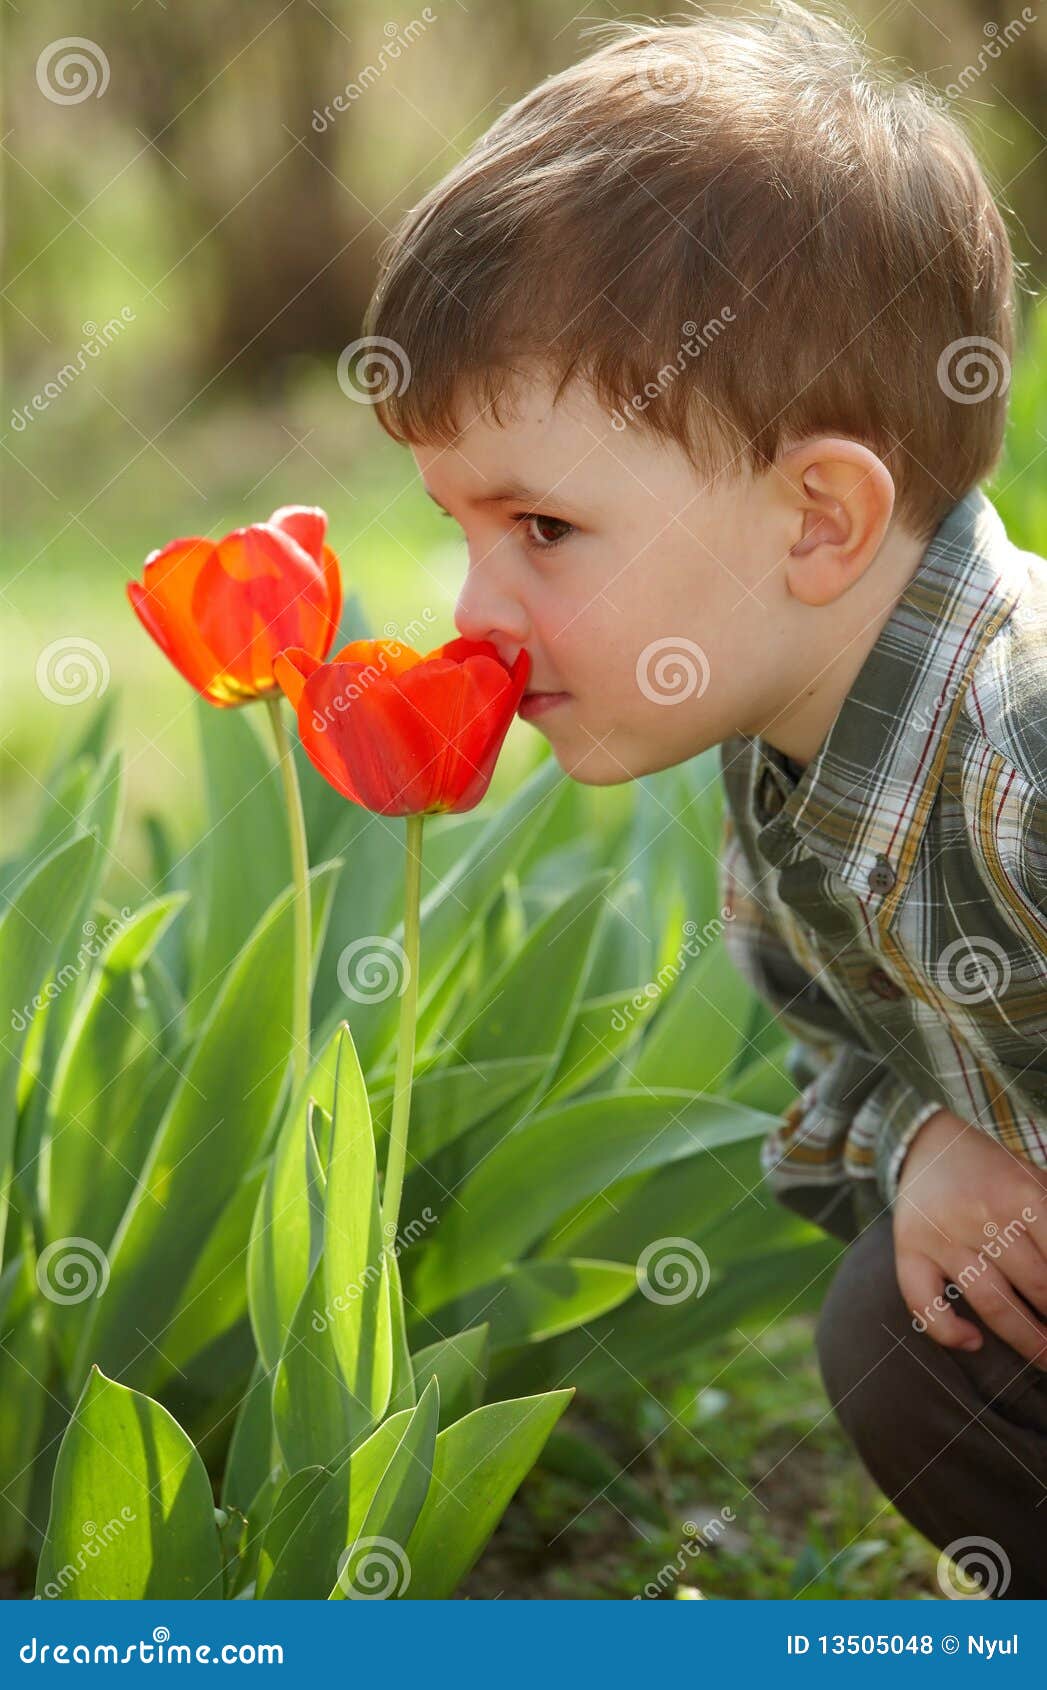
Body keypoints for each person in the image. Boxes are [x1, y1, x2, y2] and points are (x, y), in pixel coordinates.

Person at [359, 4, 1047, 1596]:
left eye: (541, 524)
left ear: (819, 519)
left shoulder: (1019, 753)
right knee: (903, 1328)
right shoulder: (785, 778)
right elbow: (837, 1062)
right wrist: (928, 1135)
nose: (475, 608)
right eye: (463, 528)